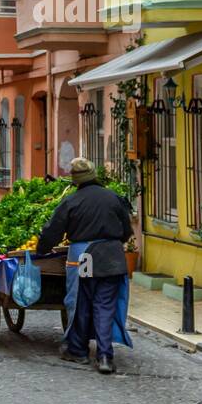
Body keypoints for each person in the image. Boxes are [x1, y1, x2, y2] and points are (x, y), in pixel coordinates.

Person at [36, 157, 134, 375]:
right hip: (111, 256)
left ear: (76, 180)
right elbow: (127, 230)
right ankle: (105, 356)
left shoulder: (71, 201)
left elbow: (53, 230)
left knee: (82, 302)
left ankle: (78, 350)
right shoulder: (113, 198)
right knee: (105, 305)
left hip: (85, 257)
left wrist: (42, 249)